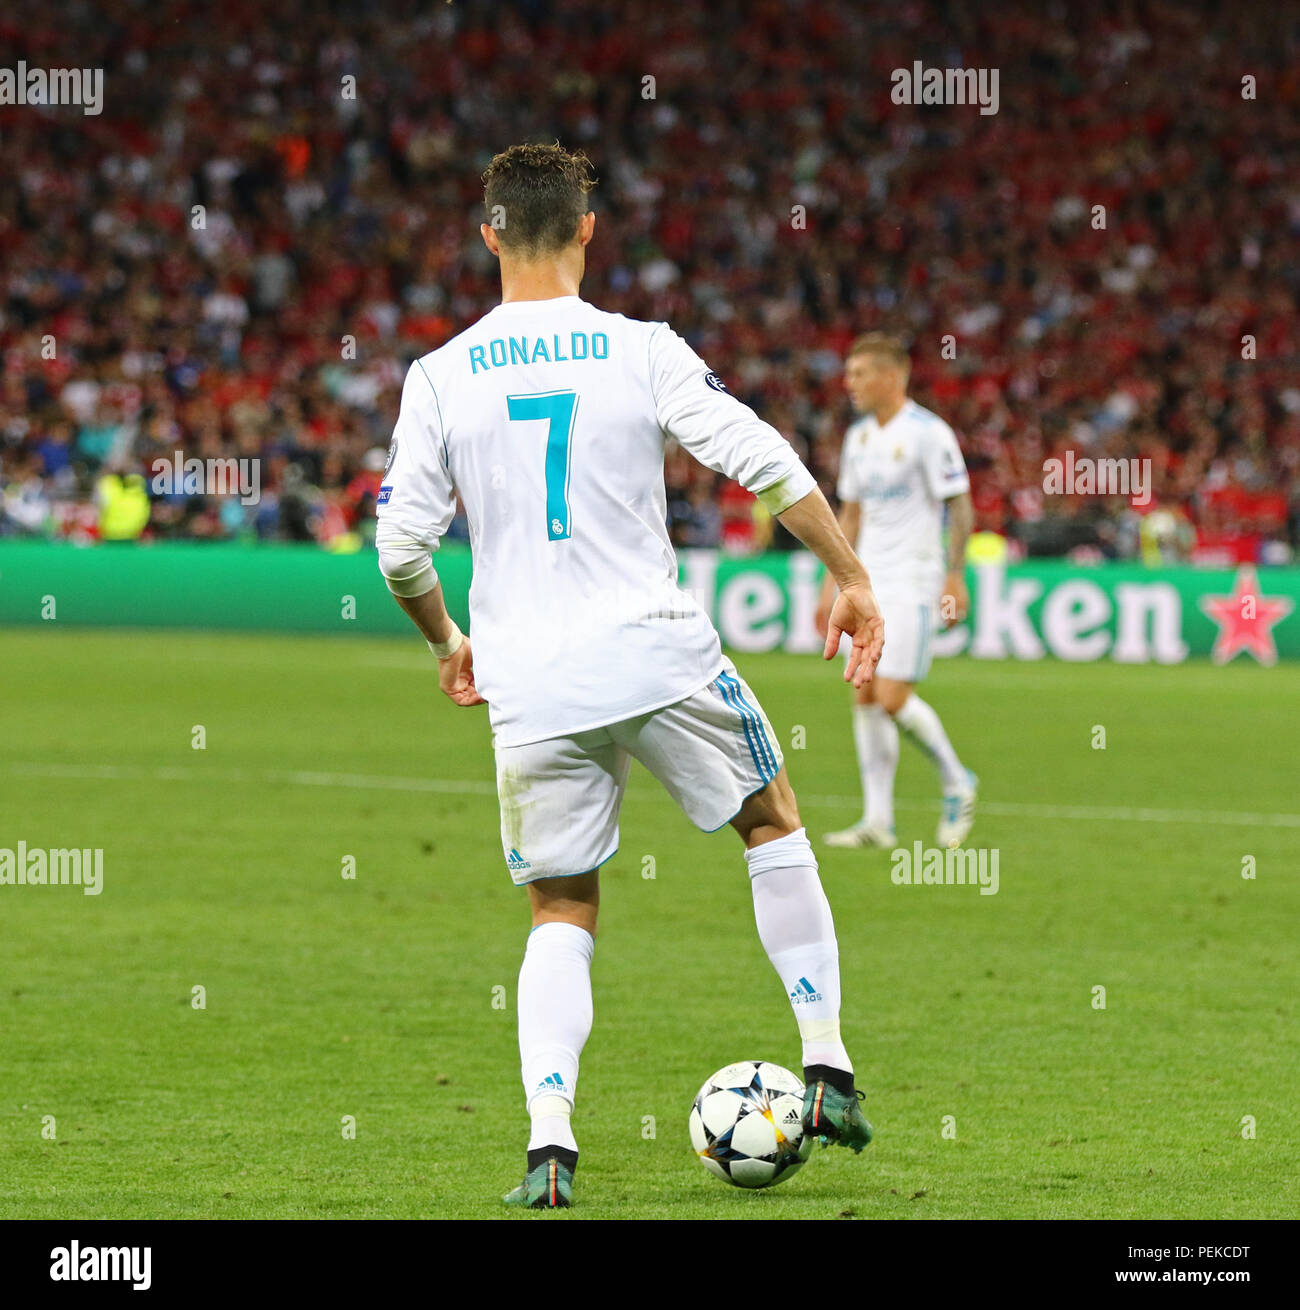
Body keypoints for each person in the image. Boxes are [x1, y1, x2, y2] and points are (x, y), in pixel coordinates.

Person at [375, 143, 884, 1209]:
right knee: (772, 820)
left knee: (560, 901)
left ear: (489, 233)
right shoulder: (637, 348)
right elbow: (760, 456)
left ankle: (548, 1147)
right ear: (589, 229)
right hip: (655, 652)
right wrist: (846, 572)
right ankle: (827, 1064)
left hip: (528, 678)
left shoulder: (439, 374)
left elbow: (399, 551)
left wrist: (446, 643)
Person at [816, 334, 978, 850]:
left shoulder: (930, 433)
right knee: (863, 690)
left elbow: (961, 503)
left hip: (914, 579)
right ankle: (878, 822)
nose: (850, 384)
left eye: (860, 374)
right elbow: (852, 515)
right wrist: (833, 581)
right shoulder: (858, 438)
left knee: (891, 696)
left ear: (891, 376)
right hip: (869, 579)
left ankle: (957, 780)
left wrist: (956, 575)